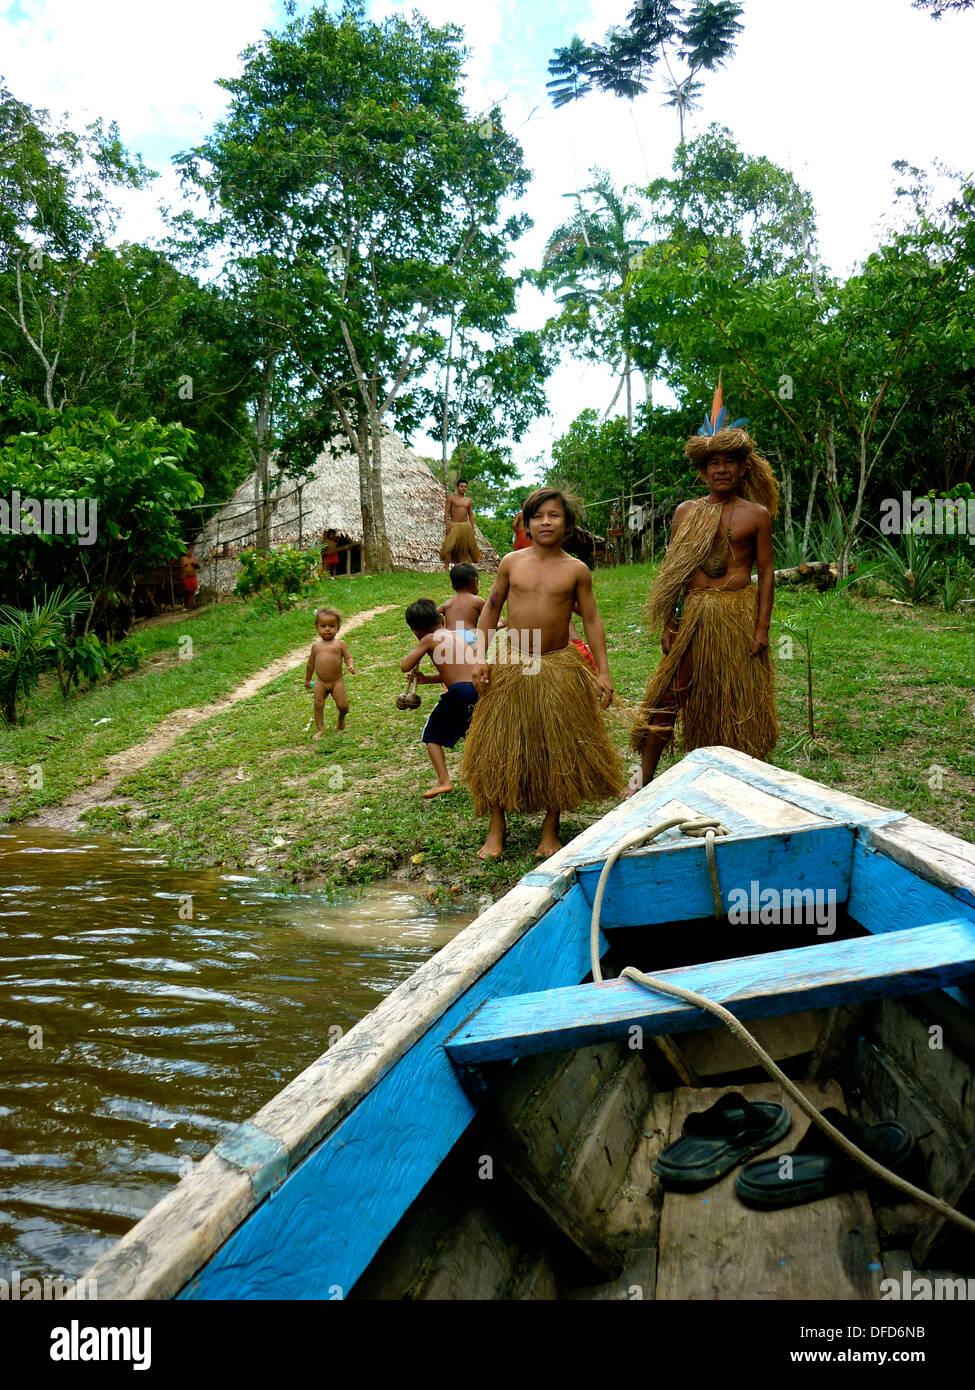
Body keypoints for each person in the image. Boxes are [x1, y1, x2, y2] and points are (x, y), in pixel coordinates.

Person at [462, 487, 622, 860]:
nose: (546, 522)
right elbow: (491, 608)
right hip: (513, 663)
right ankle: (496, 828)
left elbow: (593, 620)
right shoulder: (511, 562)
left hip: (558, 666)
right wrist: (479, 655)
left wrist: (603, 672)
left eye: (554, 515)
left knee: (559, 749)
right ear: (527, 523)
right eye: (538, 516)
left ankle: (550, 831)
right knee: (498, 746)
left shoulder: (576, 570)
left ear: (567, 523)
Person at [630, 426, 779, 790]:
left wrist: (762, 627)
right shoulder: (686, 513)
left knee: (738, 695)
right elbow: (674, 573)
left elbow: (766, 573)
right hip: (694, 616)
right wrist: (669, 622)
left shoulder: (756, 514)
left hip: (735, 615)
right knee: (670, 694)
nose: (722, 469)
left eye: (730, 462)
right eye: (714, 463)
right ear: (703, 471)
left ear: (743, 468)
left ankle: (744, 778)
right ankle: (645, 777)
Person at [401, 598, 479, 799]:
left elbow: (405, 665)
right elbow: (456, 673)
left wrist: (421, 645)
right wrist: (426, 680)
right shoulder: (455, 636)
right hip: (477, 688)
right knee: (471, 732)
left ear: (416, 631)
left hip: (459, 691)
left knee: (431, 734)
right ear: (441, 620)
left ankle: (444, 780)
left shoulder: (428, 639)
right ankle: (483, 772)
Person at [304, 607, 355, 738]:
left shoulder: (340, 644)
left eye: (332, 626)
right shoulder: (316, 647)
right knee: (318, 704)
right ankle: (320, 729)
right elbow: (310, 664)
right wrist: (308, 679)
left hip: (336, 681)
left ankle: (341, 718)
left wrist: (350, 665)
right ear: (317, 628)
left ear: (338, 628)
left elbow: (348, 657)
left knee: (343, 706)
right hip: (320, 682)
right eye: (323, 626)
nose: (327, 629)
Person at [438, 563, 485, 650]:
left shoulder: (448, 603)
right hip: (468, 637)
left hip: (449, 637)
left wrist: (441, 625)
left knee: (451, 661)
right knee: (473, 661)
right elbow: (489, 619)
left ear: (452, 586)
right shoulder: (478, 601)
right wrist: (501, 623)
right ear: (475, 582)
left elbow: (432, 615)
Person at [440, 479, 481, 568]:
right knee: (449, 548)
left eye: (465, 487)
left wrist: (472, 527)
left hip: (465, 525)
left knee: (463, 549)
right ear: (457, 487)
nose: (463, 488)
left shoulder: (468, 500)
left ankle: (460, 569)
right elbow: (447, 511)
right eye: (461, 486)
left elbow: (470, 514)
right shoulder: (451, 498)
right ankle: (446, 568)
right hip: (454, 525)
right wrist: (447, 524)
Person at [181, 544, 201, 610]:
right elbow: (180, 567)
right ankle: (186, 605)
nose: (190, 552)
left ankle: (191, 605)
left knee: (192, 592)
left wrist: (196, 564)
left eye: (191, 551)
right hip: (186, 577)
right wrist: (184, 565)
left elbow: (199, 567)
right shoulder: (183, 559)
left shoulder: (194, 559)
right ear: (186, 551)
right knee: (186, 592)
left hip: (193, 577)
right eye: (189, 551)